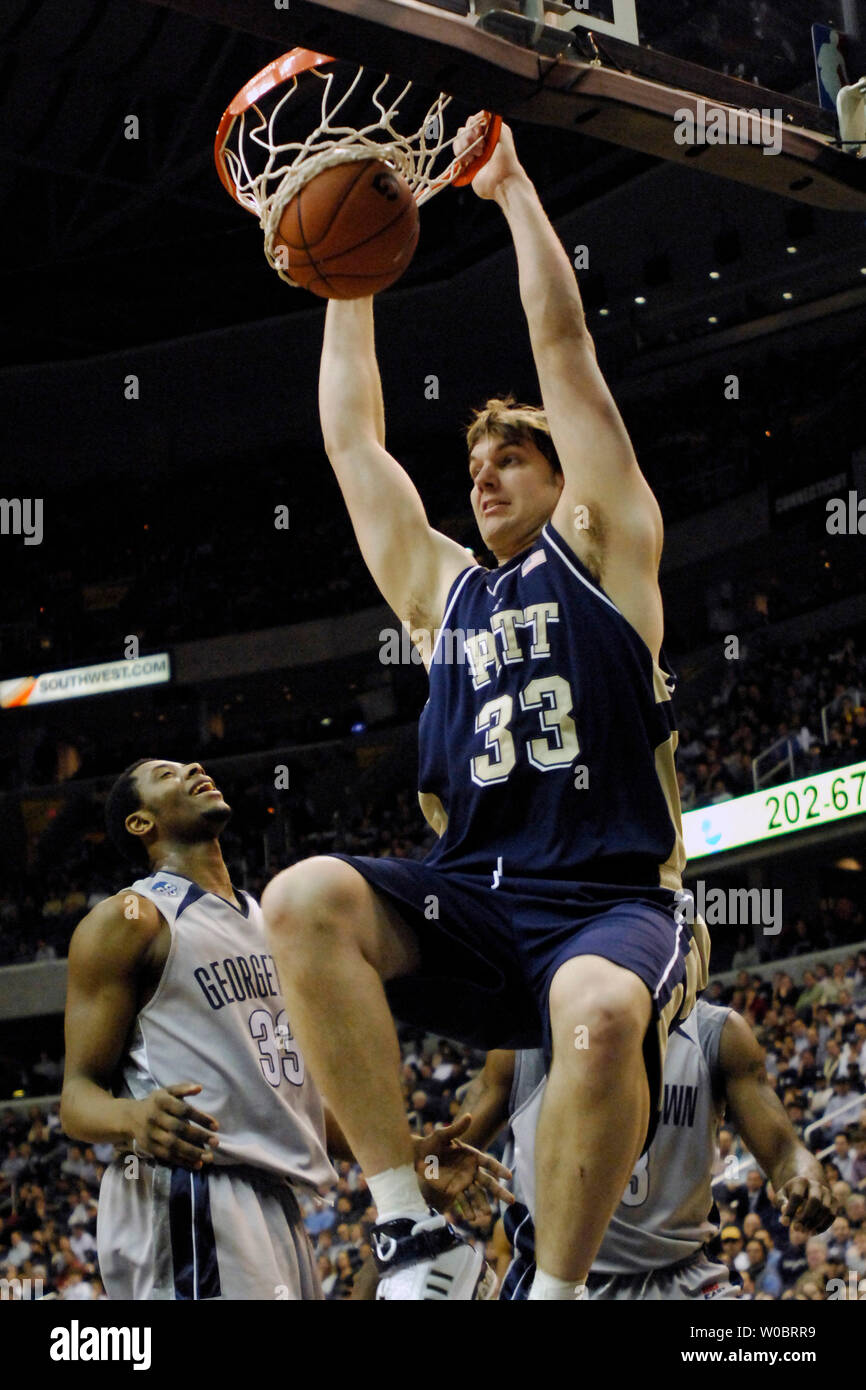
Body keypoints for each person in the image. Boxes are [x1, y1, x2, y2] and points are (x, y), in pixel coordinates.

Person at [261, 117, 709, 1301]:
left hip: (606, 904)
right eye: (474, 464)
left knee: (605, 1016)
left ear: (563, 480)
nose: (482, 473)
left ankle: (550, 1295)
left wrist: (510, 191)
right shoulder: (441, 597)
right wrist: (341, 280)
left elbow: (565, 350)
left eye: (510, 457)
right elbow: (351, 442)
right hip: (474, 903)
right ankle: (409, 1228)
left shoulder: (606, 553)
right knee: (301, 896)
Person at [61, 758, 510, 1300]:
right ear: (141, 824)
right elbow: (76, 1097)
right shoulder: (130, 919)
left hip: (275, 1197)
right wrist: (133, 1117)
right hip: (189, 1187)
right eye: (166, 773)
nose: (194, 767)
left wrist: (407, 1153)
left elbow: (288, 1099)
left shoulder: (268, 918)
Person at [454, 1000, 836, 1299]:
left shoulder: (717, 1033)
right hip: (553, 1279)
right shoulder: (527, 1036)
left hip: (682, 1277)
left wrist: (807, 1180)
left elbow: (787, 1152)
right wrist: (432, 1168)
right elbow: (449, 1152)